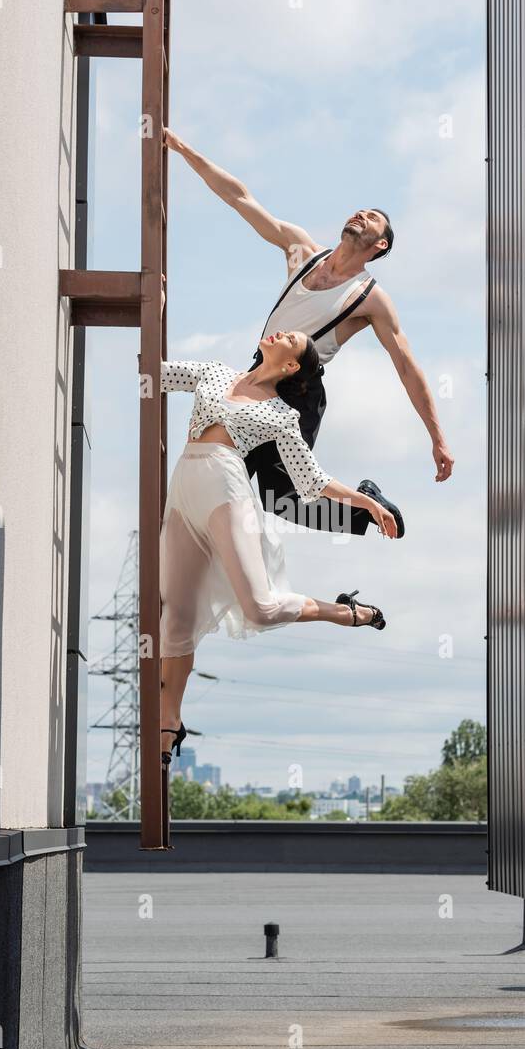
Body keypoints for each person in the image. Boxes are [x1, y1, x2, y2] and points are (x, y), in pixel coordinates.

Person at [163, 128, 455, 538]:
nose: (360, 215)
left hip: (300, 389)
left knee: (281, 495)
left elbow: (406, 366)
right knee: (222, 469)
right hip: (260, 370)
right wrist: (181, 148)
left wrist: (437, 440)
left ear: (381, 244)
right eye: (359, 210)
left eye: (371, 217)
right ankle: (200, 556)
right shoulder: (302, 251)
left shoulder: (370, 298)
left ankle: (365, 509)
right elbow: (240, 198)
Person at [151, 321, 397, 765]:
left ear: (288, 365)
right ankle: (170, 720)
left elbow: (312, 480)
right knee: (176, 618)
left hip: (227, 492)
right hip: (183, 490)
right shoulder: (215, 373)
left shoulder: (281, 414)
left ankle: (345, 613)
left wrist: (365, 503)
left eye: (290, 341)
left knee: (260, 610)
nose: (281, 333)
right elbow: (154, 372)